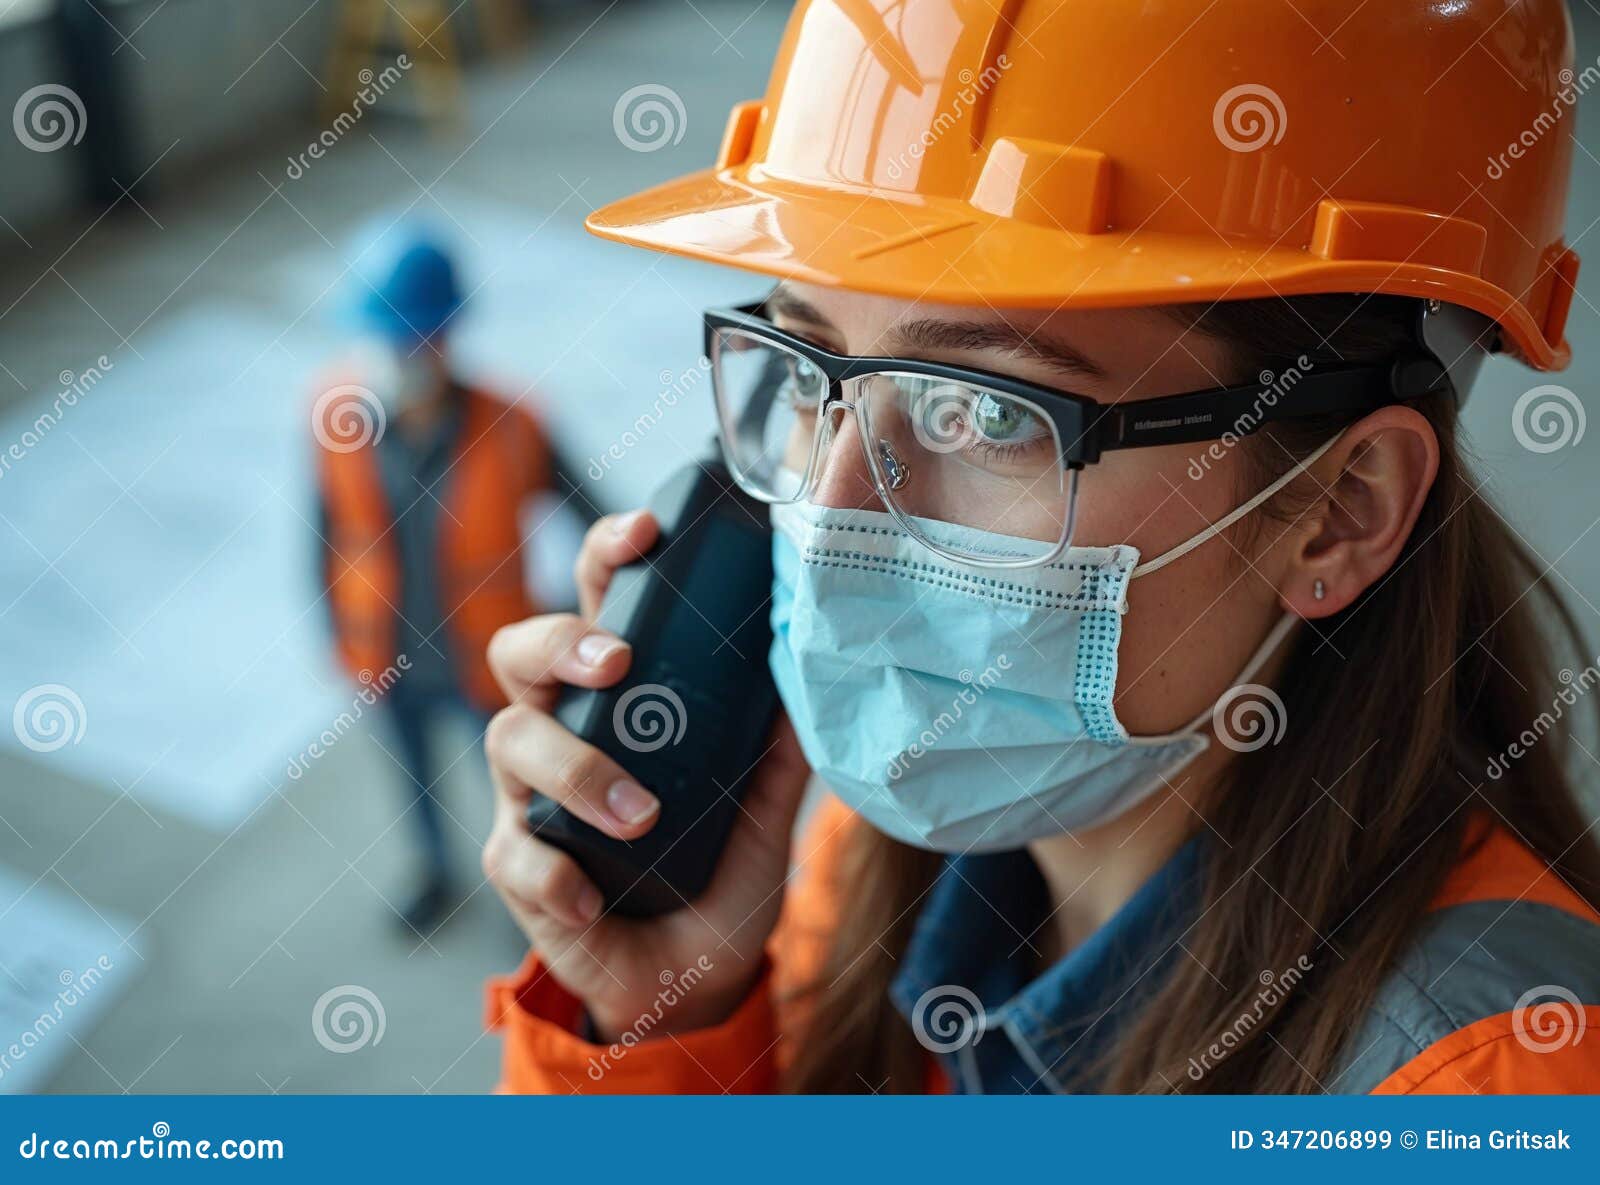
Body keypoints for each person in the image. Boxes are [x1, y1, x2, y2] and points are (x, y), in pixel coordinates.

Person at [481, 0, 1600, 1092]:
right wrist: (665, 1017)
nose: (828, 519)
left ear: (1341, 508)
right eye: (813, 374)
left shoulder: (1492, 1086)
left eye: (986, 412)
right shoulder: (867, 876)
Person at [313, 220, 557, 934]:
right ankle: (434, 872)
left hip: (482, 660)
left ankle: (524, 892)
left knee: (513, 784)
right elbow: (322, 535)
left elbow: (596, 515)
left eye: (415, 338)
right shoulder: (337, 423)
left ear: (447, 337)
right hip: (387, 656)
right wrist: (335, 635)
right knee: (413, 779)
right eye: (386, 340)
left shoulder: (513, 426)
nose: (400, 356)